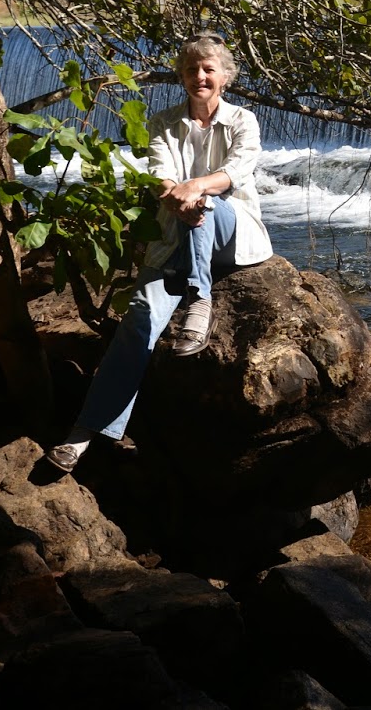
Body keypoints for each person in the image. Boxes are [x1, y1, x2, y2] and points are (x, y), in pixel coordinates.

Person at [46, 33, 272, 472]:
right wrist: (180, 196)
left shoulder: (244, 120)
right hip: (176, 234)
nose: (200, 77)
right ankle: (84, 435)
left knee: (206, 201)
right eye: (191, 70)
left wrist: (193, 190)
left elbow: (234, 175)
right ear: (182, 77)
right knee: (139, 322)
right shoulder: (163, 123)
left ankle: (199, 297)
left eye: (208, 69)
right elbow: (160, 178)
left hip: (232, 233)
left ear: (225, 77)